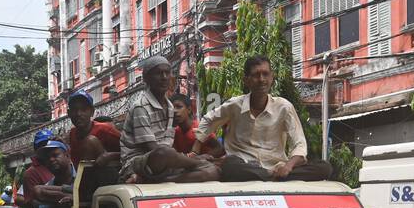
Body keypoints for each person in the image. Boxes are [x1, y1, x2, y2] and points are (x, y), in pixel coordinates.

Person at [192, 55, 334, 182]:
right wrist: (195, 151)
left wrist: (288, 167)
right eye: (256, 75)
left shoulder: (284, 107)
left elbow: (299, 145)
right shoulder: (235, 105)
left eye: (265, 74)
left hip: (278, 167)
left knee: (324, 168)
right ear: (246, 80)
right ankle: (270, 176)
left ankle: (271, 175)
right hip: (243, 167)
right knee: (230, 165)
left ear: (272, 77)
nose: (261, 80)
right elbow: (208, 120)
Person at [120, 55, 218, 183]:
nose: (164, 77)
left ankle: (165, 180)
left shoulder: (170, 107)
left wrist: (186, 160)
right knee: (164, 153)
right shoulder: (140, 107)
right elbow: (154, 149)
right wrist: (194, 161)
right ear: (147, 78)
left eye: (167, 73)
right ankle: (150, 177)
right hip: (139, 163)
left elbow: (167, 146)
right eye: (159, 73)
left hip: (166, 163)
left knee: (213, 172)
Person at [64, 91, 121, 166]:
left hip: (109, 173)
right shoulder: (72, 134)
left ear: (92, 112)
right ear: (69, 113)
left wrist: (110, 156)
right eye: (74, 110)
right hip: (83, 174)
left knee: (90, 141)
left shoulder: (105, 129)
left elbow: (131, 150)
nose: (78, 114)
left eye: (83, 110)